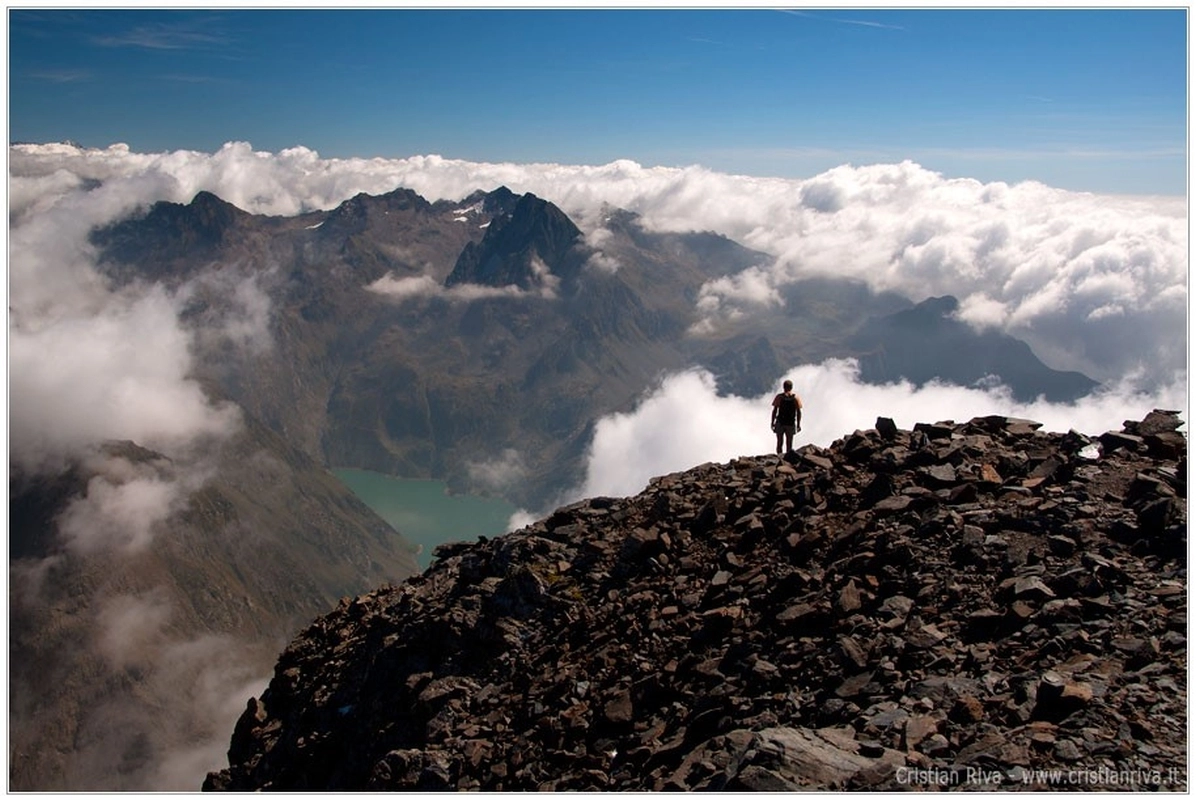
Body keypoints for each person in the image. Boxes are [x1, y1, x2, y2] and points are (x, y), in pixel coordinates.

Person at [770, 379, 802, 455]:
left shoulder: (779, 397)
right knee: (789, 444)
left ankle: (779, 457)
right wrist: (798, 424)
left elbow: (775, 410)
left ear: (783, 387)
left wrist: (772, 422)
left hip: (780, 422)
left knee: (779, 442)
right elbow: (799, 412)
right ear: (791, 387)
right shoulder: (795, 398)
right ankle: (788, 459)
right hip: (790, 423)